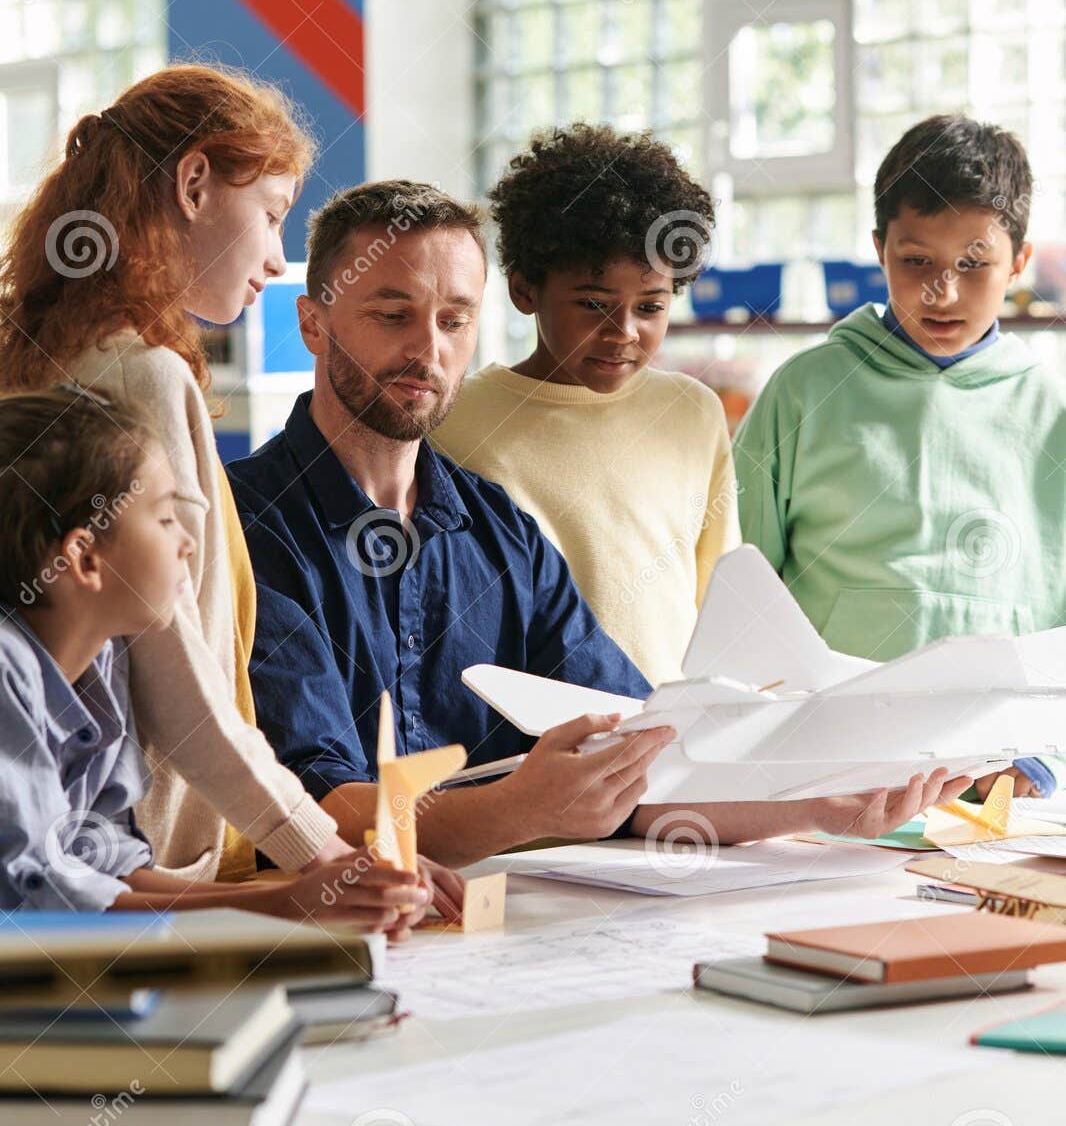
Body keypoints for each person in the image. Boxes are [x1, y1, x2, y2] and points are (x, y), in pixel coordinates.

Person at [228, 180, 965, 864]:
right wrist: (521, 811)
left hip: (515, 927)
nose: (428, 349)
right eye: (392, 315)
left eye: (454, 320)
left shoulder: (499, 531)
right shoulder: (247, 526)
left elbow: (643, 755)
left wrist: (824, 804)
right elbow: (312, 809)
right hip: (334, 937)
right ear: (313, 324)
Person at [0, 63, 351, 881]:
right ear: (194, 183)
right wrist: (320, 853)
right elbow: (176, 672)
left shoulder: (36, 348)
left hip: (76, 840)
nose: (274, 258)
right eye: (270, 215)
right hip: (150, 852)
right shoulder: (139, 375)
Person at [0, 387, 462, 930]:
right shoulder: (9, 672)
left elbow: (104, 870)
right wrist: (285, 905)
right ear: (84, 558)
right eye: (166, 517)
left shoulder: (103, 661)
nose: (189, 544)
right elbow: (36, 902)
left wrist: (338, 880)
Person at [734, 114, 1065, 800]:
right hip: (824, 775)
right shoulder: (804, 393)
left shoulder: (1052, 416)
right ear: (879, 248)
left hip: (1000, 783)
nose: (942, 292)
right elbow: (741, 594)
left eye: (974, 265)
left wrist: (1041, 761)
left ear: (1021, 261)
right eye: (917, 262)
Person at [433, 122, 739, 686]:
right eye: (594, 304)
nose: (623, 331)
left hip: (672, 732)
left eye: (650, 306)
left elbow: (720, 595)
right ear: (525, 290)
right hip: (522, 740)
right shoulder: (452, 419)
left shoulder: (693, 413)